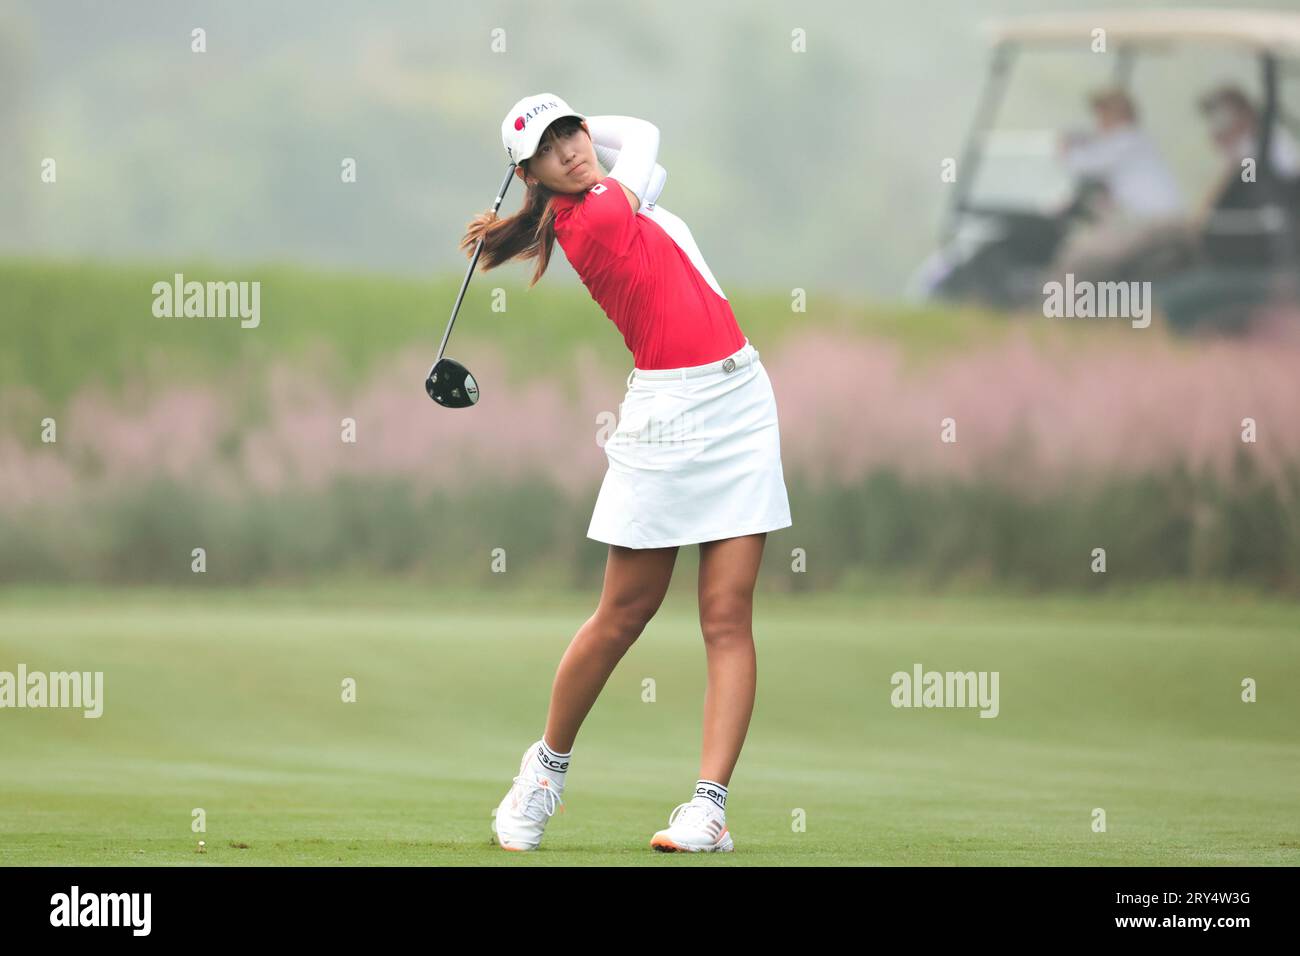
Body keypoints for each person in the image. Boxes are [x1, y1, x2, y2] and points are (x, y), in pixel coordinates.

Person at [461, 92, 793, 853]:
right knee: (624, 614)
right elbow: (642, 132)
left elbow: (641, 149)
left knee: (727, 615)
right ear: (532, 176)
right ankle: (543, 771)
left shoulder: (612, 192)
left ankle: (708, 809)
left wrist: (553, 128)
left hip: (742, 398)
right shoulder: (595, 215)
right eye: (548, 150)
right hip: (666, 415)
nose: (572, 150)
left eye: (572, 133)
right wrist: (558, 139)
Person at [1047, 87, 1193, 284]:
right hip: (1161, 222)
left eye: (1101, 115)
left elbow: (1081, 164)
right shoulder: (1138, 141)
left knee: (1079, 253)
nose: (1098, 122)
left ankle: (1057, 307)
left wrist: (1063, 145)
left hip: (1154, 224)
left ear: (1117, 115)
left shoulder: (1124, 140)